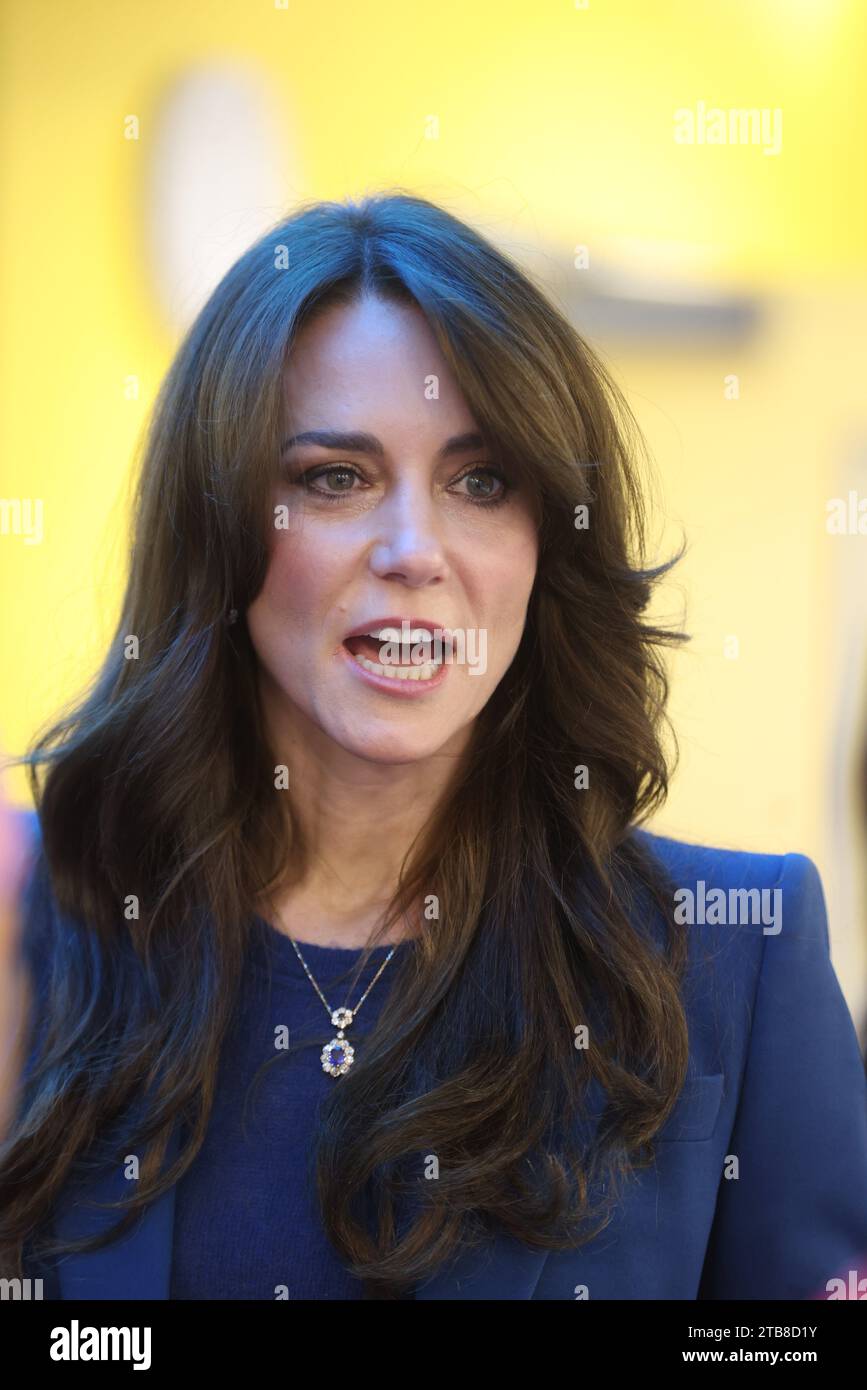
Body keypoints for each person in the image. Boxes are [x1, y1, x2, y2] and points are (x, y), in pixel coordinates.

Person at [1, 191, 866, 1300]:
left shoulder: (737, 961)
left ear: (548, 537)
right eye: (334, 478)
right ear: (214, 529)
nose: (414, 549)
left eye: (480, 481)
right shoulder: (50, 926)